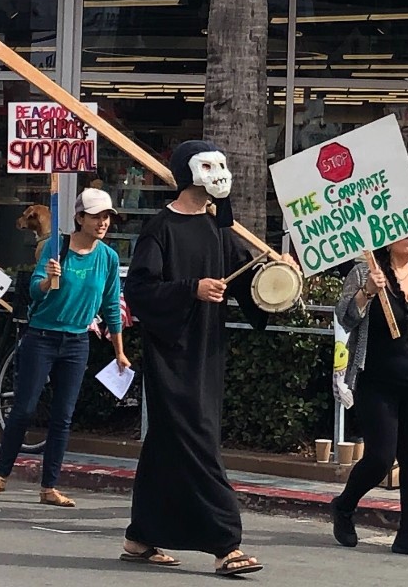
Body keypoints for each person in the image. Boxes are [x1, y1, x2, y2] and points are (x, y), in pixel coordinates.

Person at [120, 140, 292, 575]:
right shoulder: (159, 228)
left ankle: (141, 536)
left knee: (167, 444)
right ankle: (225, 544)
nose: (219, 172)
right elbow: (138, 291)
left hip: (207, 351)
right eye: (209, 165)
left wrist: (283, 276)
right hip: (170, 354)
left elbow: (253, 285)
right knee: (198, 439)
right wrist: (190, 289)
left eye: (221, 163)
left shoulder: (221, 229)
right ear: (187, 173)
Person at [0, 192, 129, 505]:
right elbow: (35, 292)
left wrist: (119, 351)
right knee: (23, 409)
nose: (102, 223)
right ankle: (0, 475)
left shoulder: (108, 258)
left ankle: (49, 487)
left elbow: (111, 306)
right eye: (95, 216)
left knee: (63, 416)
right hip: (42, 338)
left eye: (106, 217)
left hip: (77, 342)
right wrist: (48, 280)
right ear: (79, 218)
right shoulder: (56, 248)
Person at [330, 233, 408, 559]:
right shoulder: (365, 271)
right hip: (377, 383)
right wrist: (367, 291)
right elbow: (344, 318)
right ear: (389, 237)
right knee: (380, 458)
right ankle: (344, 506)